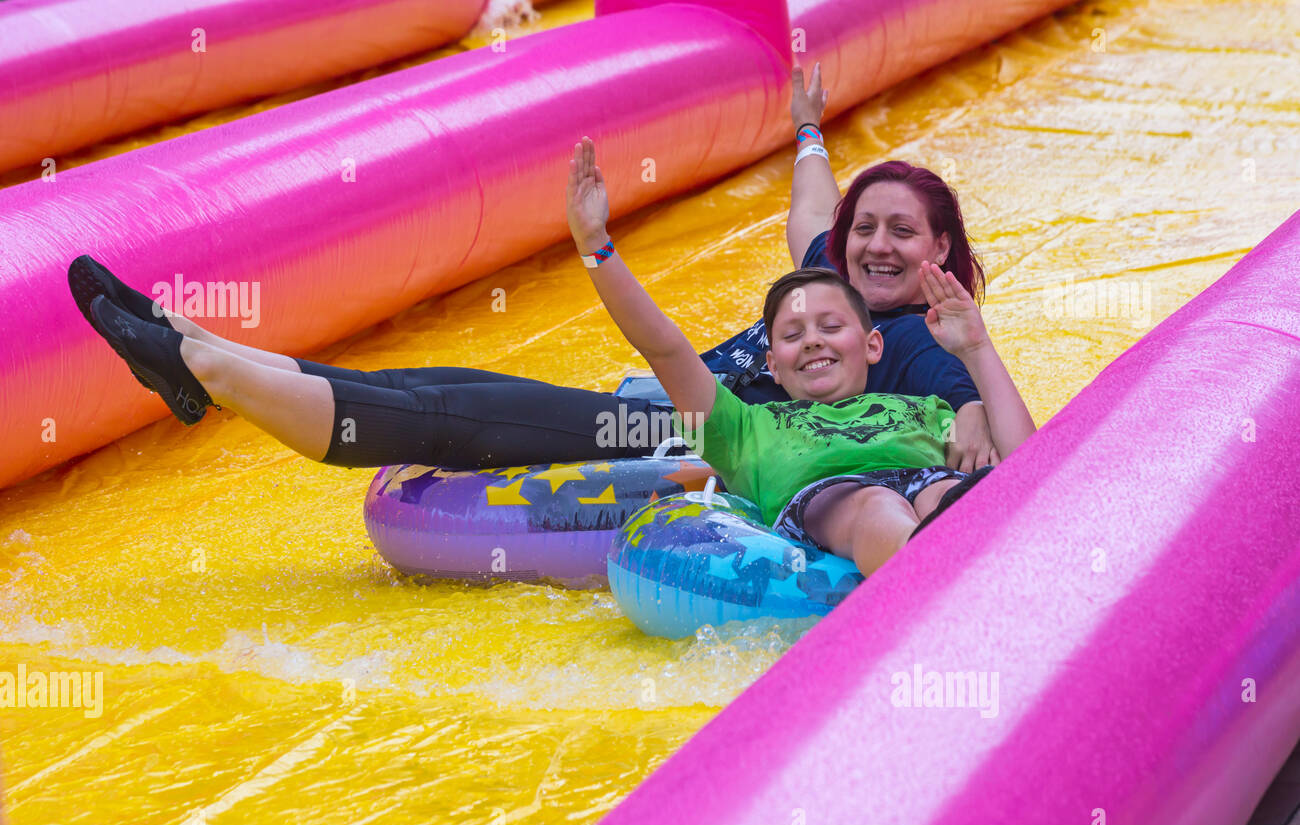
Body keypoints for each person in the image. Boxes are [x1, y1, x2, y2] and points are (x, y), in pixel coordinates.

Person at [67, 63, 995, 473]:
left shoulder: (910, 341)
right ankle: (190, 342)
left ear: (940, 252)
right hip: (653, 405)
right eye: (865, 226)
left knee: (445, 415)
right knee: (439, 380)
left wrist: (970, 424)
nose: (875, 244)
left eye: (902, 234)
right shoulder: (830, 285)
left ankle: (203, 373)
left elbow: (965, 410)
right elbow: (809, 210)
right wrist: (806, 127)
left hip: (671, 444)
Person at [565, 137, 1036, 575]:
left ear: (873, 344)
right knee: (873, 505)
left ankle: (975, 530)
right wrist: (595, 247)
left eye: (831, 327)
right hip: (839, 505)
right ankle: (925, 565)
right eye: (793, 334)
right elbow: (663, 346)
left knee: (942, 491)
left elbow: (1030, 462)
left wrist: (977, 347)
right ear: (771, 362)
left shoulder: (925, 409)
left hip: (927, 480)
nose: (813, 340)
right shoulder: (744, 427)